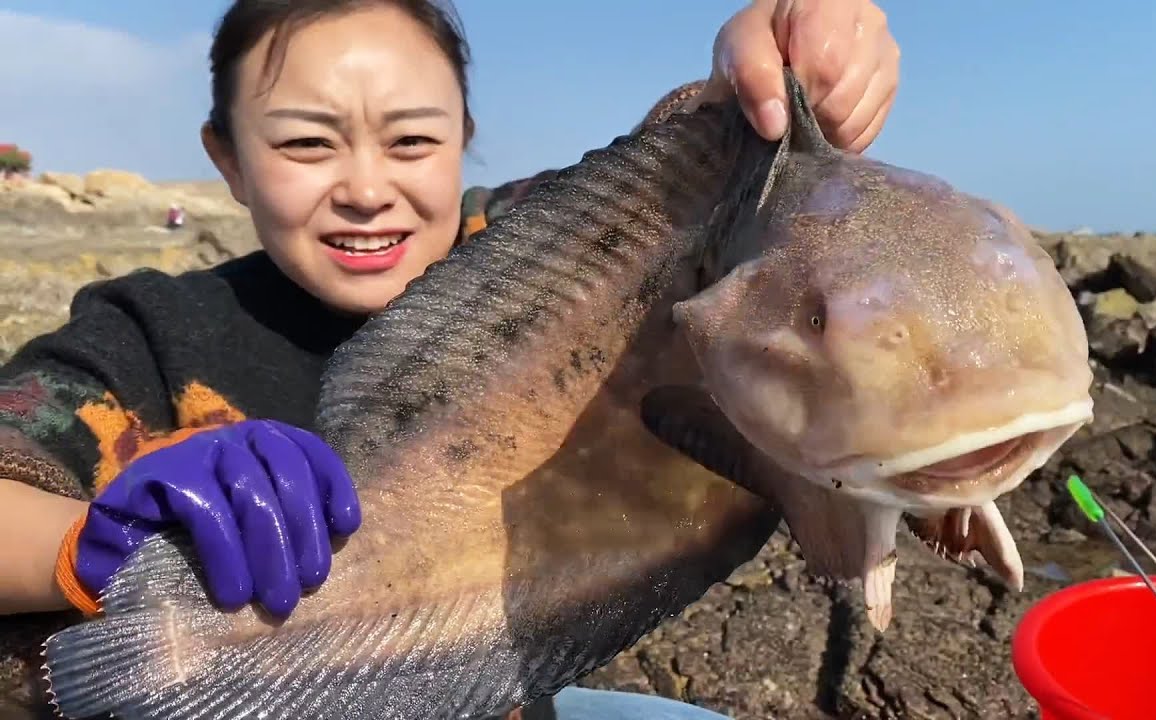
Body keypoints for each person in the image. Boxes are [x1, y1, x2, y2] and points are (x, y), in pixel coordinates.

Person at [0, 0, 901, 717]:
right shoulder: (148, 332)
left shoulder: (540, 254)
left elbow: (681, 196)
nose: (364, 188)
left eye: (412, 141)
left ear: (463, 135)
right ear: (227, 158)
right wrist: (78, 546)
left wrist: (768, 68)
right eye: (306, 142)